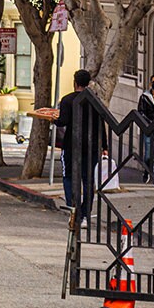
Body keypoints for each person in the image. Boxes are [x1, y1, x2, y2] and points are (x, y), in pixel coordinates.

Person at [36, 69, 106, 223]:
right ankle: (85, 214)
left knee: (69, 177)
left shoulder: (68, 100)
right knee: (88, 180)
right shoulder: (95, 100)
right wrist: (104, 145)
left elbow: (63, 121)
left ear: (75, 83)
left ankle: (74, 209)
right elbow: (101, 123)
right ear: (88, 83)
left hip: (72, 145)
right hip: (92, 146)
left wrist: (52, 119)